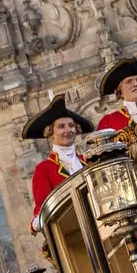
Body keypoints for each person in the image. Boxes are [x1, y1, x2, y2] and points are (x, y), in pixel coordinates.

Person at [24, 96, 94, 229]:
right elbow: (42, 208)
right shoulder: (44, 169)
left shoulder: (88, 162)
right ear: (50, 133)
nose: (68, 130)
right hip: (71, 231)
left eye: (71, 126)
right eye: (61, 127)